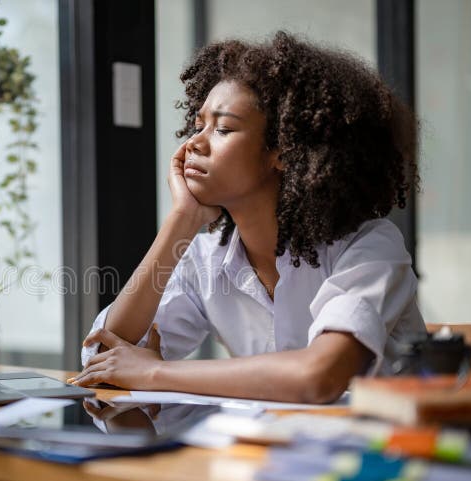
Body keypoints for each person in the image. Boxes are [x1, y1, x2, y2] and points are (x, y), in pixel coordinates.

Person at [68, 32, 425, 403]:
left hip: (384, 453)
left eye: (222, 129)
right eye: (197, 125)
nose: (194, 143)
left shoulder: (370, 246)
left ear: (284, 151)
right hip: (268, 450)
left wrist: (155, 372)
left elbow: (319, 377)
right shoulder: (204, 259)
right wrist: (183, 219)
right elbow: (102, 361)